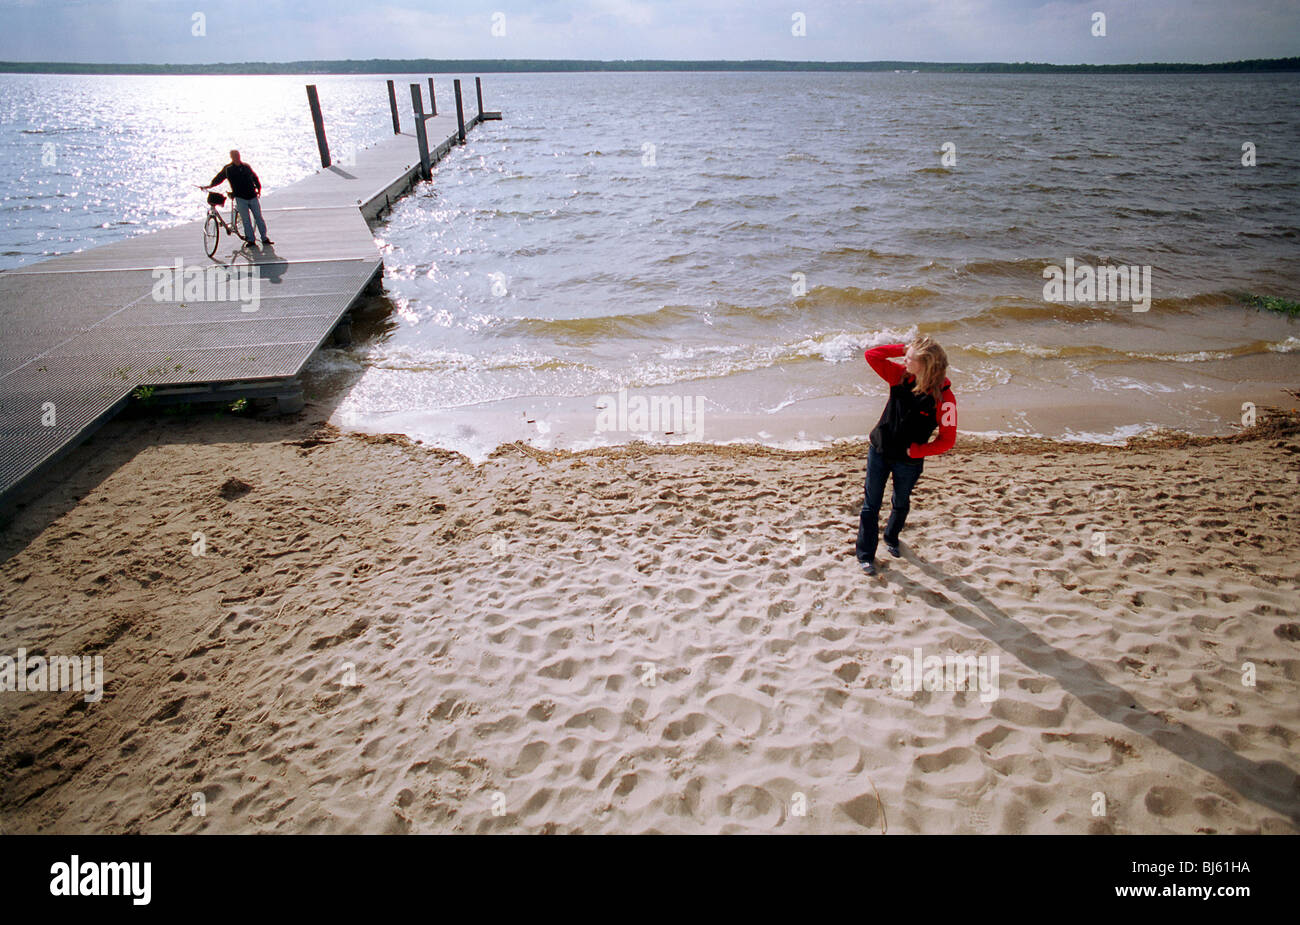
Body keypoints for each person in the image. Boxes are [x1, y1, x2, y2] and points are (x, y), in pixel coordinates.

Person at [856, 336, 956, 575]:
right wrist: (904, 347)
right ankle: (866, 556)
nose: (904, 360)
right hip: (879, 451)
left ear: (925, 364)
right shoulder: (899, 376)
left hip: (909, 462)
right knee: (871, 505)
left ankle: (892, 538)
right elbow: (872, 355)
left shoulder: (945, 399)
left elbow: (947, 440)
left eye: (909, 358)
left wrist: (920, 450)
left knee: (900, 502)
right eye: (905, 356)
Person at [202, 150, 273, 247]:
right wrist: (210, 186)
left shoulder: (246, 167)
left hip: (252, 196)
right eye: (235, 156)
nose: (237, 157)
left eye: (238, 155)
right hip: (240, 198)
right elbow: (219, 178)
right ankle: (251, 240)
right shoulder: (228, 169)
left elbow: (254, 177)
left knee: (258, 218)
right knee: (246, 219)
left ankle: (264, 238)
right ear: (231, 157)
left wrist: (258, 188)